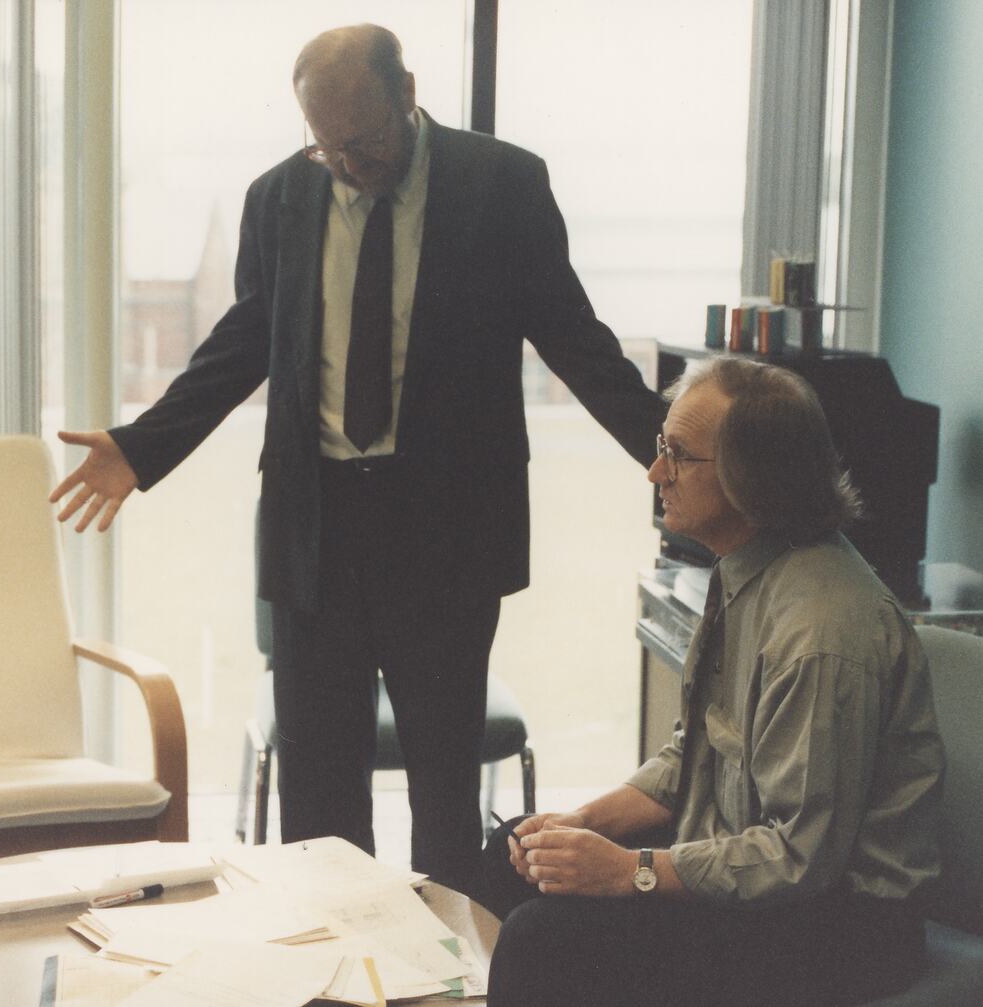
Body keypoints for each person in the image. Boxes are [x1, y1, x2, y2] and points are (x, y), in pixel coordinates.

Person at [50, 24, 665, 895]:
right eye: (327, 144)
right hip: (318, 527)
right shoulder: (280, 198)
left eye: (365, 140)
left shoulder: (502, 184)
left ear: (406, 89)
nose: (347, 162)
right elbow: (243, 342)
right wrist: (140, 447)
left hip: (445, 529)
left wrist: (666, 447)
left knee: (445, 794)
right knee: (320, 804)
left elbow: (573, 333)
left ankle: (451, 977)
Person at [480, 357, 944, 1005]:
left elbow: (797, 858)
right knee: (515, 848)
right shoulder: (746, 566)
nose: (654, 471)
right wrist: (582, 823)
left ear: (752, 478)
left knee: (542, 937)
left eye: (676, 454)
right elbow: (692, 754)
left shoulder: (821, 632)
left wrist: (629, 871)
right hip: (761, 872)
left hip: (842, 923)